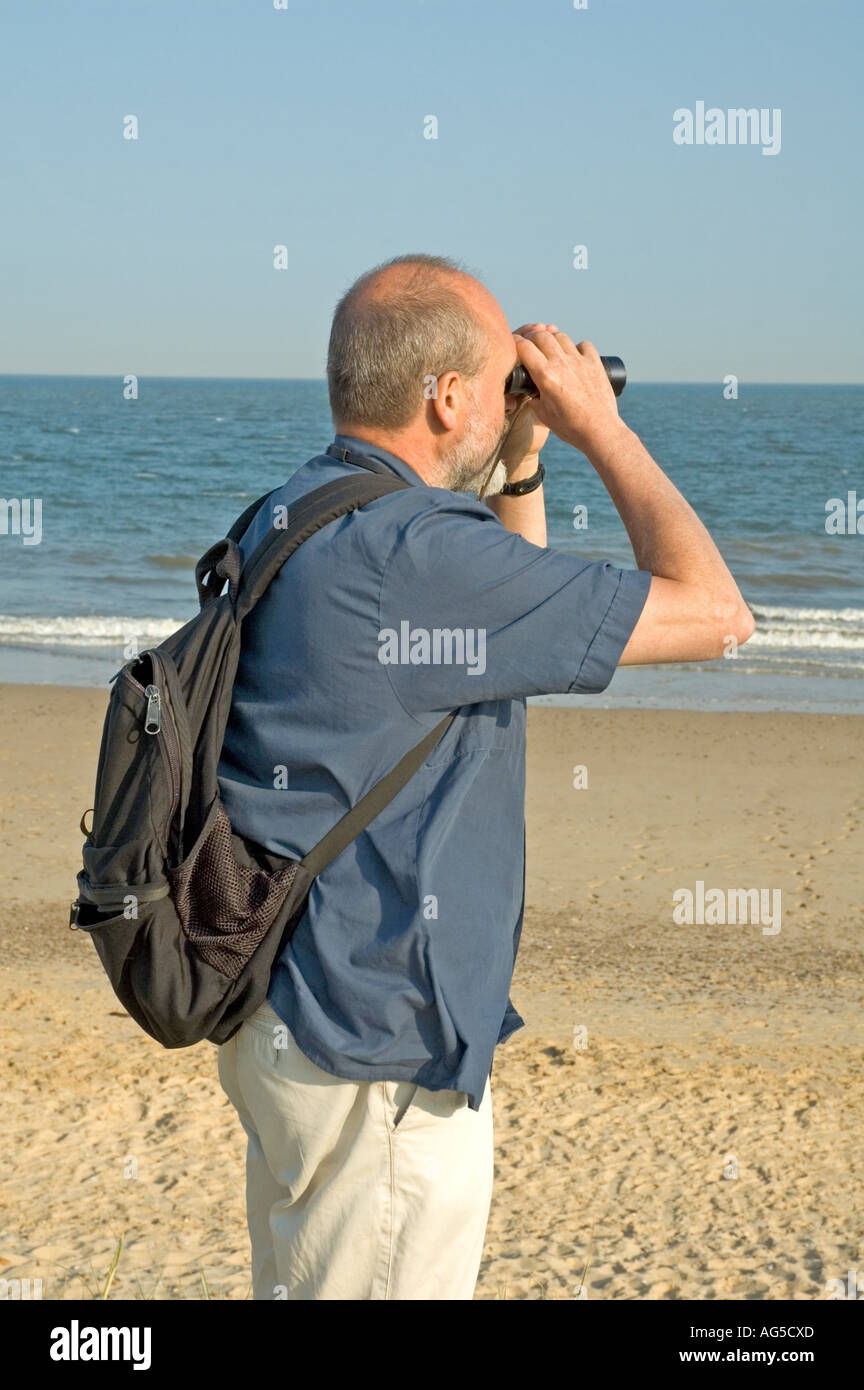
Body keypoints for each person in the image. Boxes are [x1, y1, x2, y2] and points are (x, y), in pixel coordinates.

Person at [215, 253, 754, 1301]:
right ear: (447, 395)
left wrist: (522, 464)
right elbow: (716, 611)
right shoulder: (417, 555)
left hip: (291, 1015)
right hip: (378, 1058)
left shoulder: (305, 514)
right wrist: (604, 427)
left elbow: (513, 636)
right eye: (503, 375)